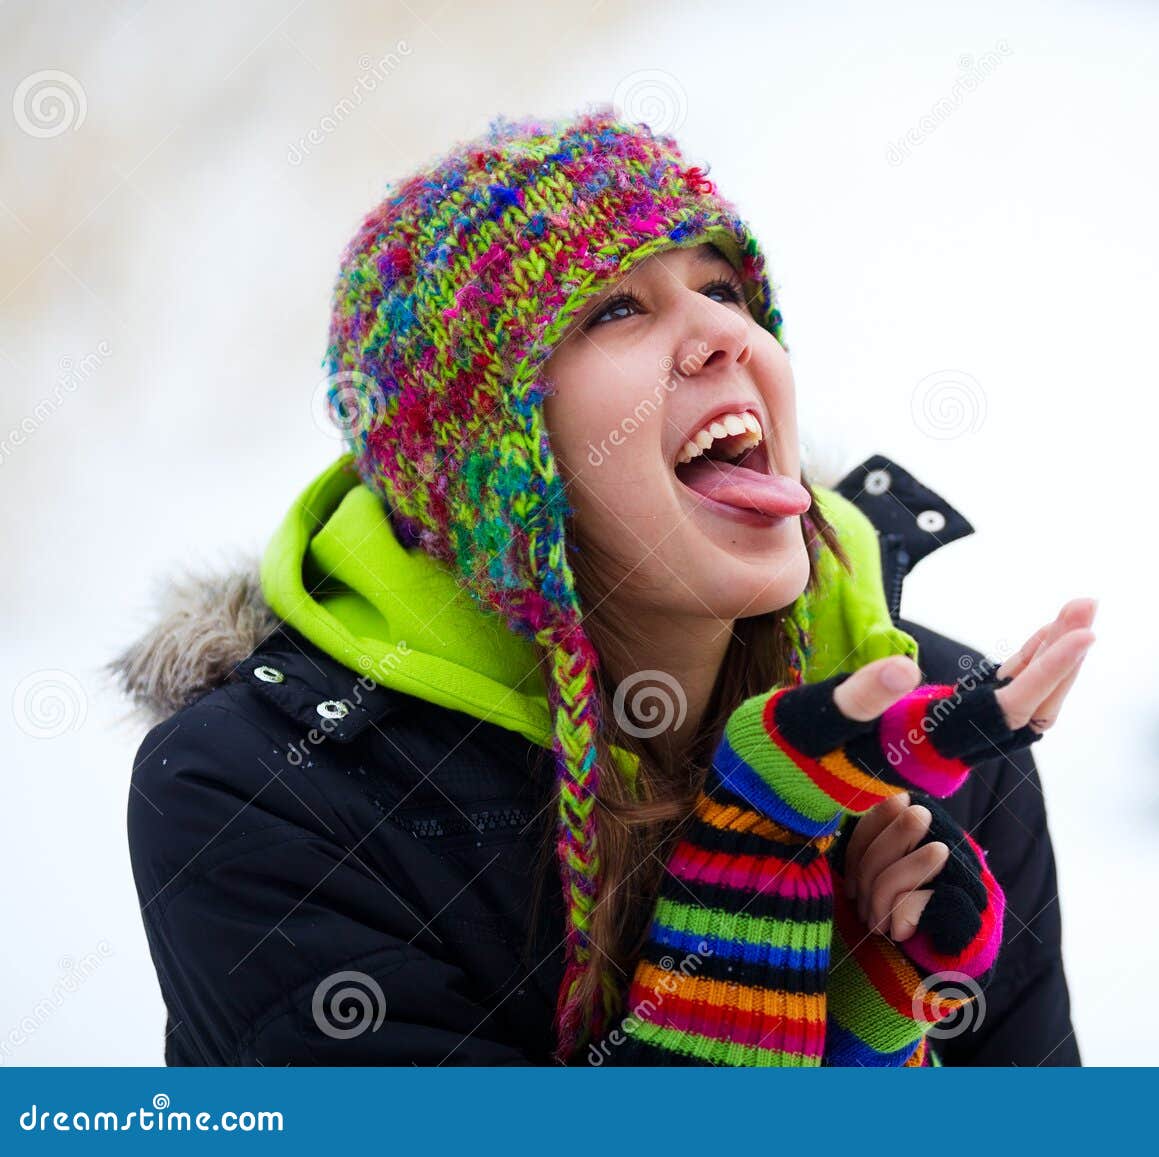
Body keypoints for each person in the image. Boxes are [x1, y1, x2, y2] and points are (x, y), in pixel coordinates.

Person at [111, 108, 1097, 1065]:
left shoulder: (931, 725)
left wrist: (865, 1020)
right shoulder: (260, 789)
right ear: (488, 456)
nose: (723, 334)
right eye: (613, 306)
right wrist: (753, 873)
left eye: (725, 286)